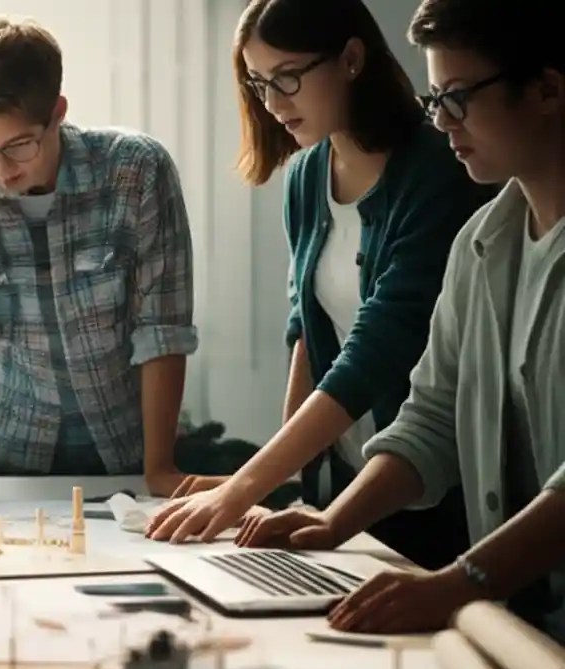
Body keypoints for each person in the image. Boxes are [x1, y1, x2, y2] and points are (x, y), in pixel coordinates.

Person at [242, 0, 565, 640]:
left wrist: (461, 581)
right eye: (434, 97)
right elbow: (432, 416)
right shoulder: (483, 244)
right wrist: (333, 521)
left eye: (461, 97)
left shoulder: (439, 192)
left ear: (547, 90)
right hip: (519, 623)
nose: (443, 121)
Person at [144, 0, 490, 571]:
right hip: (341, 480)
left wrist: (244, 486)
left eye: (288, 78)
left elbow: (375, 351)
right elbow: (309, 332)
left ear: (351, 59)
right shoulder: (307, 175)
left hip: (429, 483)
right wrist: (284, 483)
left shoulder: (436, 170)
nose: (274, 104)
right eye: (259, 84)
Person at [0, 14, 199, 510]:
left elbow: (162, 328)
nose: (0, 171)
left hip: (127, 454)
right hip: (10, 461)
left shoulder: (136, 172)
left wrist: (160, 469)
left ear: (57, 112)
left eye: (18, 146)